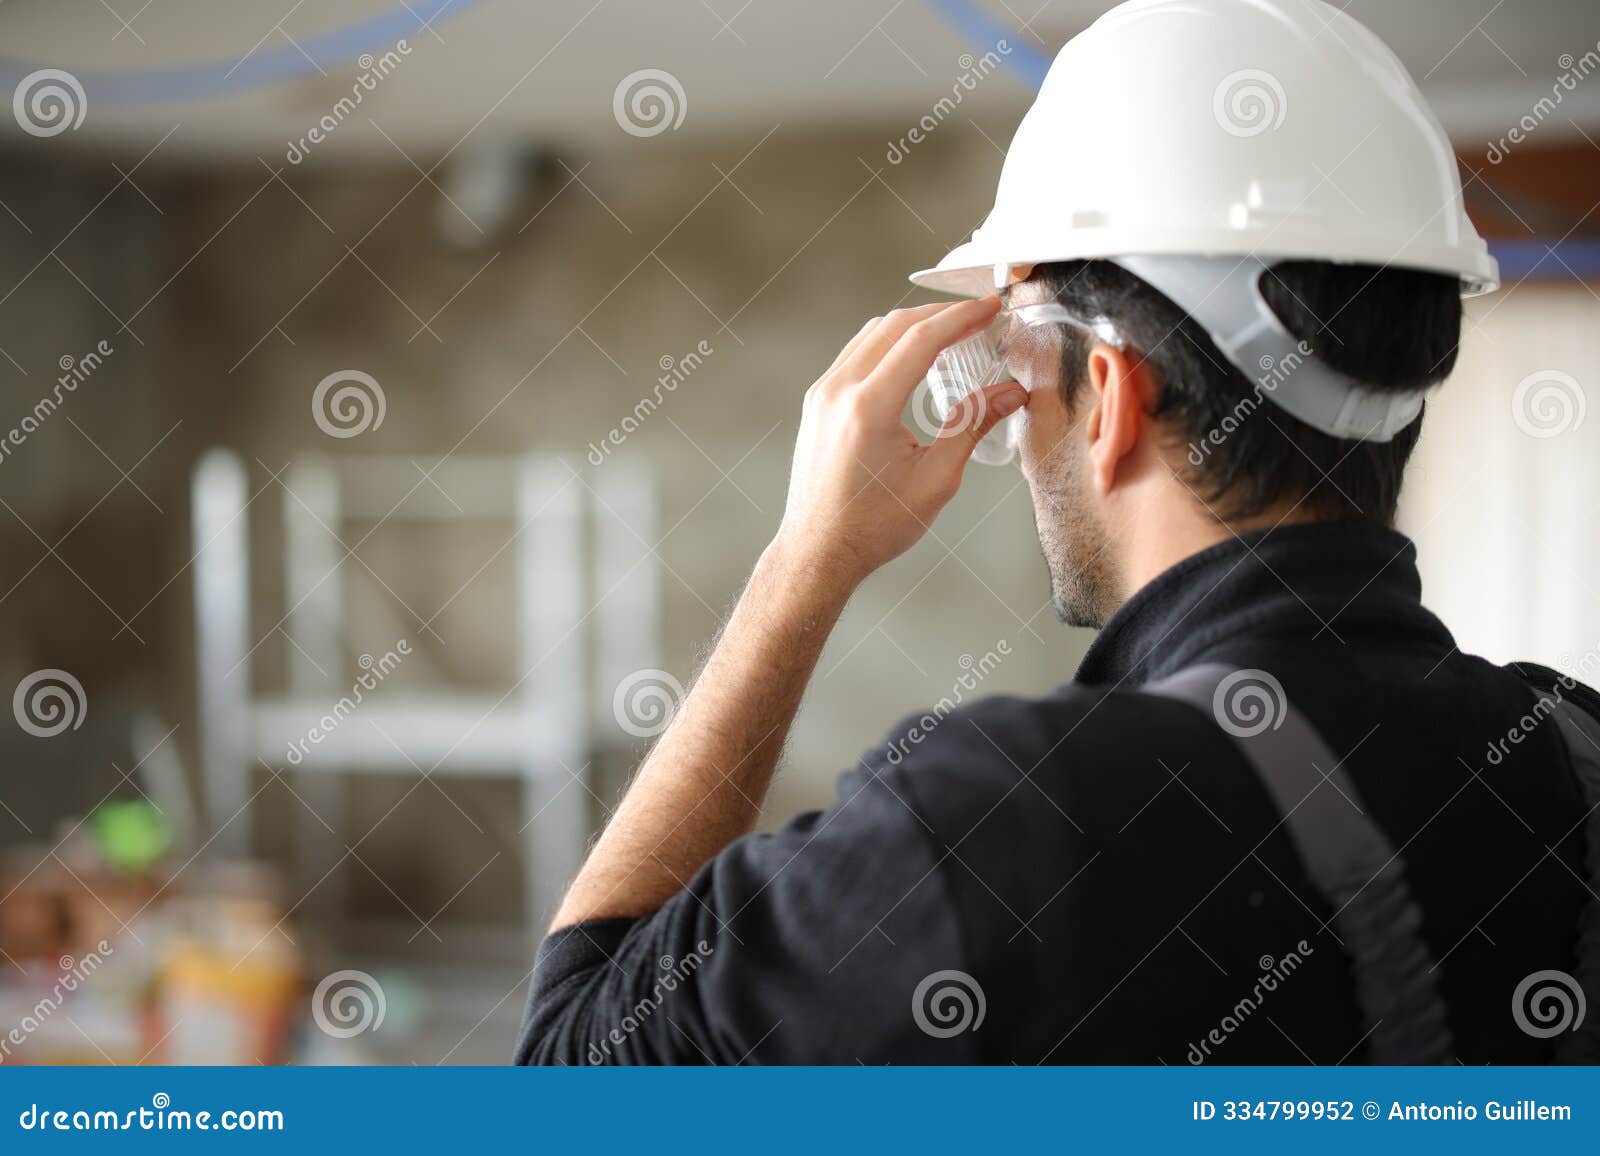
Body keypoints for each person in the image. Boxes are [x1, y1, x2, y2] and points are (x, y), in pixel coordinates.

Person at [515, 0, 1599, 1064]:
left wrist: (805, 562)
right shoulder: (1572, 749)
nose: (1020, 432)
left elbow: (572, 1070)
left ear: (1115, 398)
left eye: (1024, 375)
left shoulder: (994, 823)